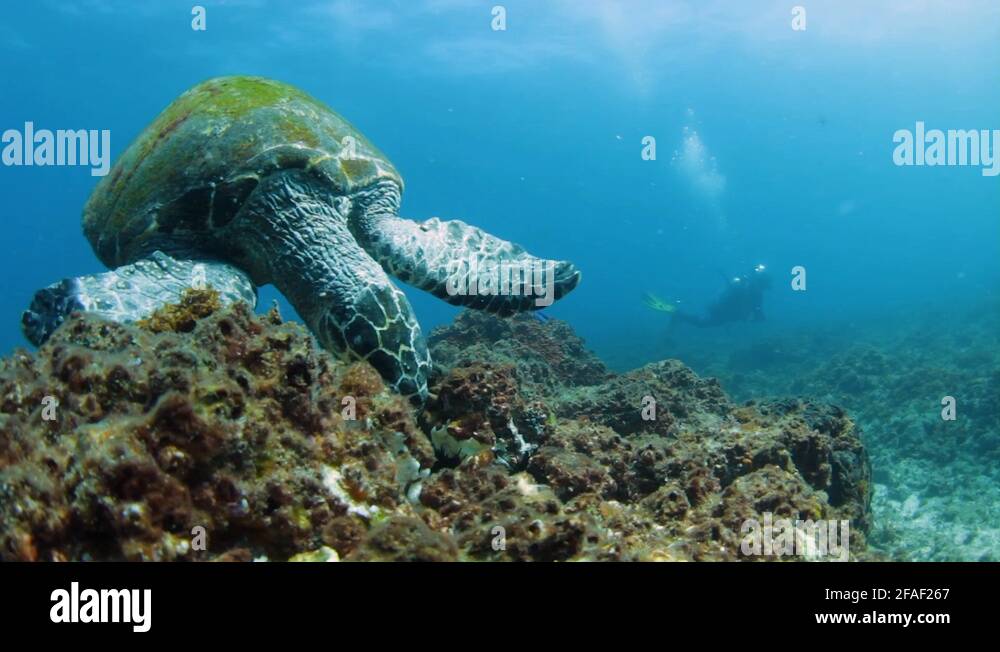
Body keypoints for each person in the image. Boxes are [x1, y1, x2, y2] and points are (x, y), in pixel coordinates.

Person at [644, 264, 772, 328]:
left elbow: (759, 313)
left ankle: (678, 312)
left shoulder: (755, 294)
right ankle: (675, 311)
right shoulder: (742, 289)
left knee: (702, 322)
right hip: (719, 313)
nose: (762, 288)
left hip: (724, 315)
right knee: (701, 323)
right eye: (762, 285)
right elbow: (725, 303)